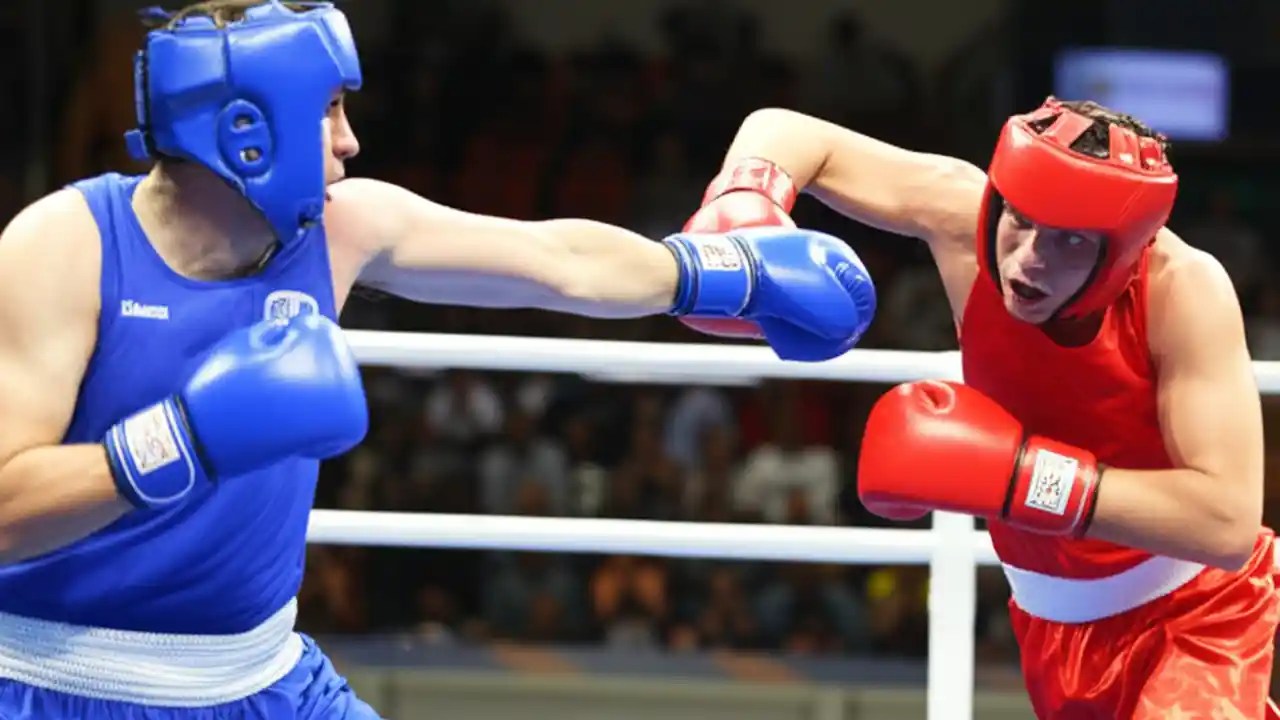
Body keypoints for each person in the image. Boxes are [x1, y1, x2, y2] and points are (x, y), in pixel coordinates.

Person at [0, 2, 878, 719]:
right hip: (55, 684)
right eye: (329, 110)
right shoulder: (65, 248)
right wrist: (183, 438)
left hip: (262, 679)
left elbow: (558, 261)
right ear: (247, 131)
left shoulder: (340, 227)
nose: (350, 143)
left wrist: (732, 274)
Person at [698, 98, 1278, 718]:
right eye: (1020, 220)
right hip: (1050, 622)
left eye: (1070, 241)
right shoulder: (963, 220)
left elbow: (1226, 524)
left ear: (1126, 251)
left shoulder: (1184, 289)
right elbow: (785, 131)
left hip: (1193, 617)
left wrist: (1024, 478)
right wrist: (747, 204)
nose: (1029, 258)